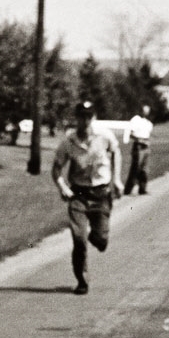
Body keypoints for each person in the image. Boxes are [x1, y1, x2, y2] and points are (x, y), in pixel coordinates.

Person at [51, 100, 124, 294]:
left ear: (94, 117)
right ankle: (82, 280)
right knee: (79, 239)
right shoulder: (69, 142)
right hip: (79, 195)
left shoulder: (104, 136)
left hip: (101, 194)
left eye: (88, 116)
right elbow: (56, 168)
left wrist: (116, 179)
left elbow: (116, 152)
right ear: (76, 118)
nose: (85, 121)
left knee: (101, 240)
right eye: (81, 116)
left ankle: (96, 236)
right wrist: (62, 187)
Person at [123, 104, 154, 195]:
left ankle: (142, 188)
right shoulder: (136, 119)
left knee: (144, 169)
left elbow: (148, 135)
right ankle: (128, 189)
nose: (145, 112)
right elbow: (131, 134)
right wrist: (140, 140)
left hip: (146, 146)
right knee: (136, 168)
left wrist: (148, 142)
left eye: (147, 111)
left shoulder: (148, 123)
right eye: (144, 110)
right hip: (139, 145)